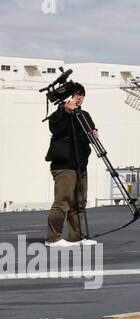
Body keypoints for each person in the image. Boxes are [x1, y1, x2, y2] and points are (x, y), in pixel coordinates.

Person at [44, 83, 97, 246]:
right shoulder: (58, 115)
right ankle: (53, 238)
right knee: (63, 201)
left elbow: (88, 136)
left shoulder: (84, 115)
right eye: (76, 94)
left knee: (79, 202)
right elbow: (57, 130)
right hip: (64, 165)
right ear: (68, 96)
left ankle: (78, 236)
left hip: (80, 164)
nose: (79, 97)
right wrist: (67, 113)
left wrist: (93, 134)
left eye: (82, 94)